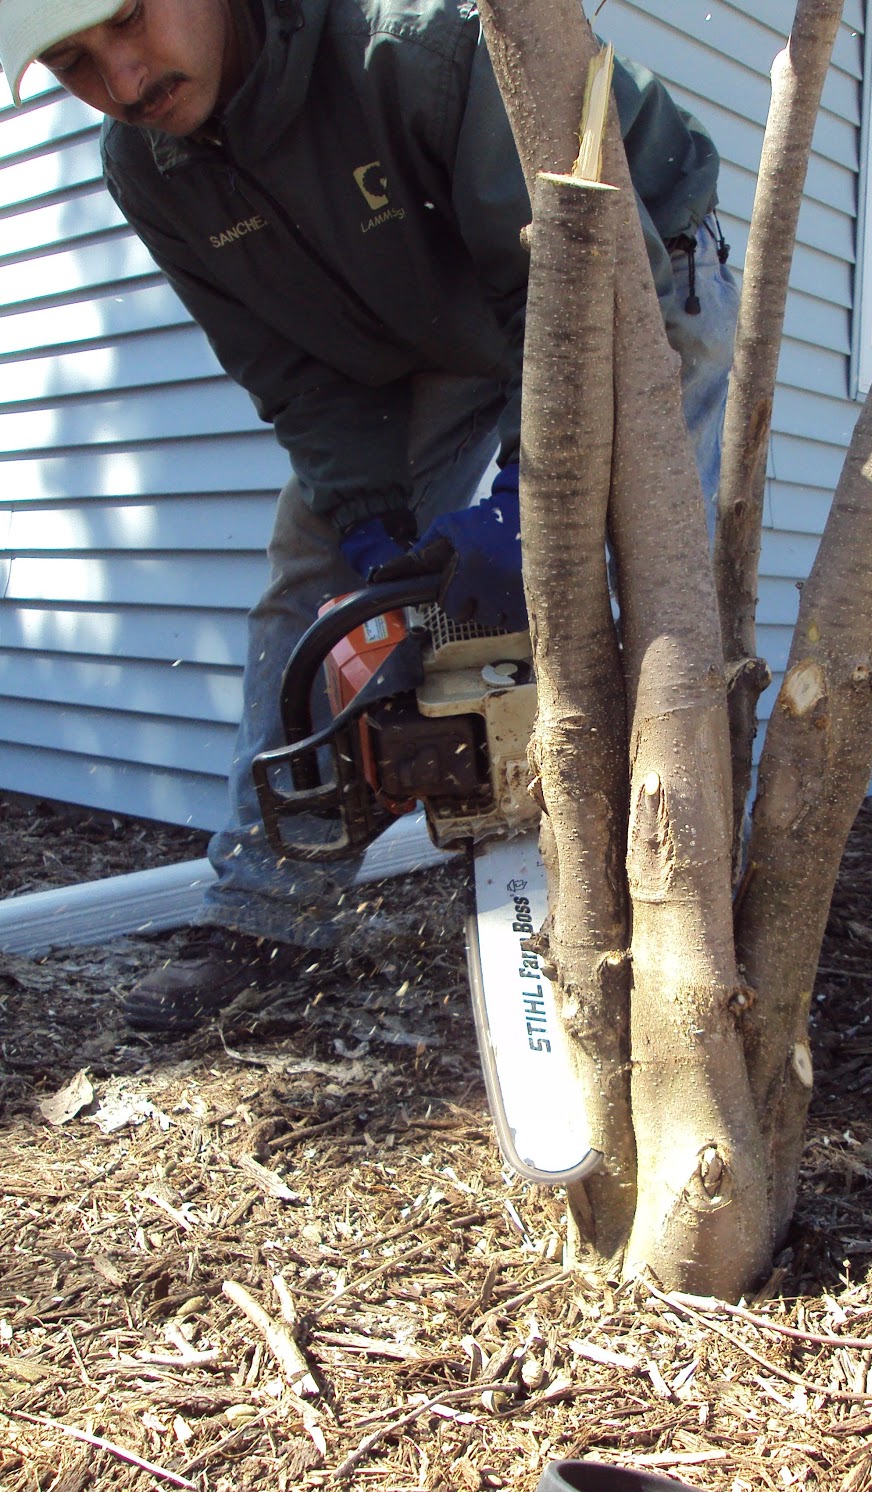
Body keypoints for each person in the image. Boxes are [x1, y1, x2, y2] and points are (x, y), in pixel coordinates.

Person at [0, 0, 739, 1032]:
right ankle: (269, 913)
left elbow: (573, 286)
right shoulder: (148, 167)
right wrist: (370, 533)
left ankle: (677, 915)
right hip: (420, 321)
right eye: (77, 62)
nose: (124, 80)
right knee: (313, 582)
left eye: (129, 21)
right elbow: (293, 371)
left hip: (632, 262)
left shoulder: (419, 41)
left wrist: (536, 502)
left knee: (645, 575)